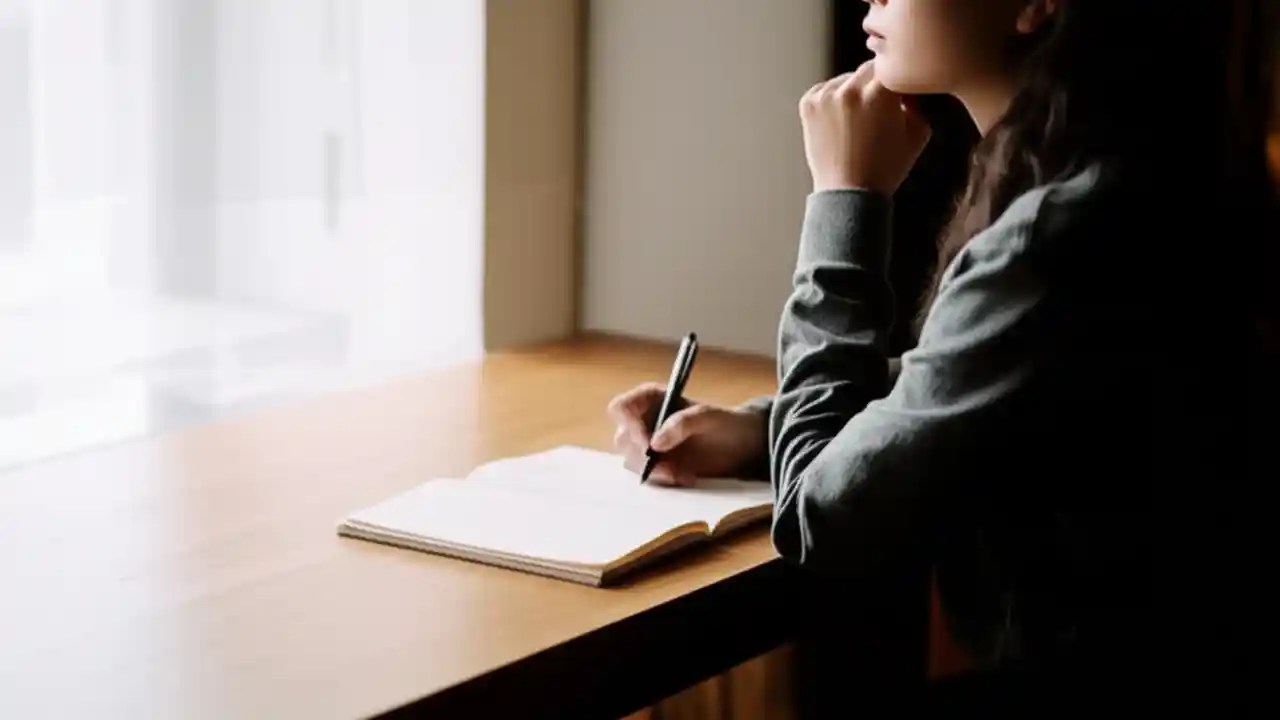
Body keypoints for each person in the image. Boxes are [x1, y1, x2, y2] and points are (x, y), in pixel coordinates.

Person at [608, 0, 1274, 712]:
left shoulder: (1056, 236)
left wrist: (845, 198)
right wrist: (759, 432)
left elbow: (821, 522)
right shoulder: (1134, 177)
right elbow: (968, 379)